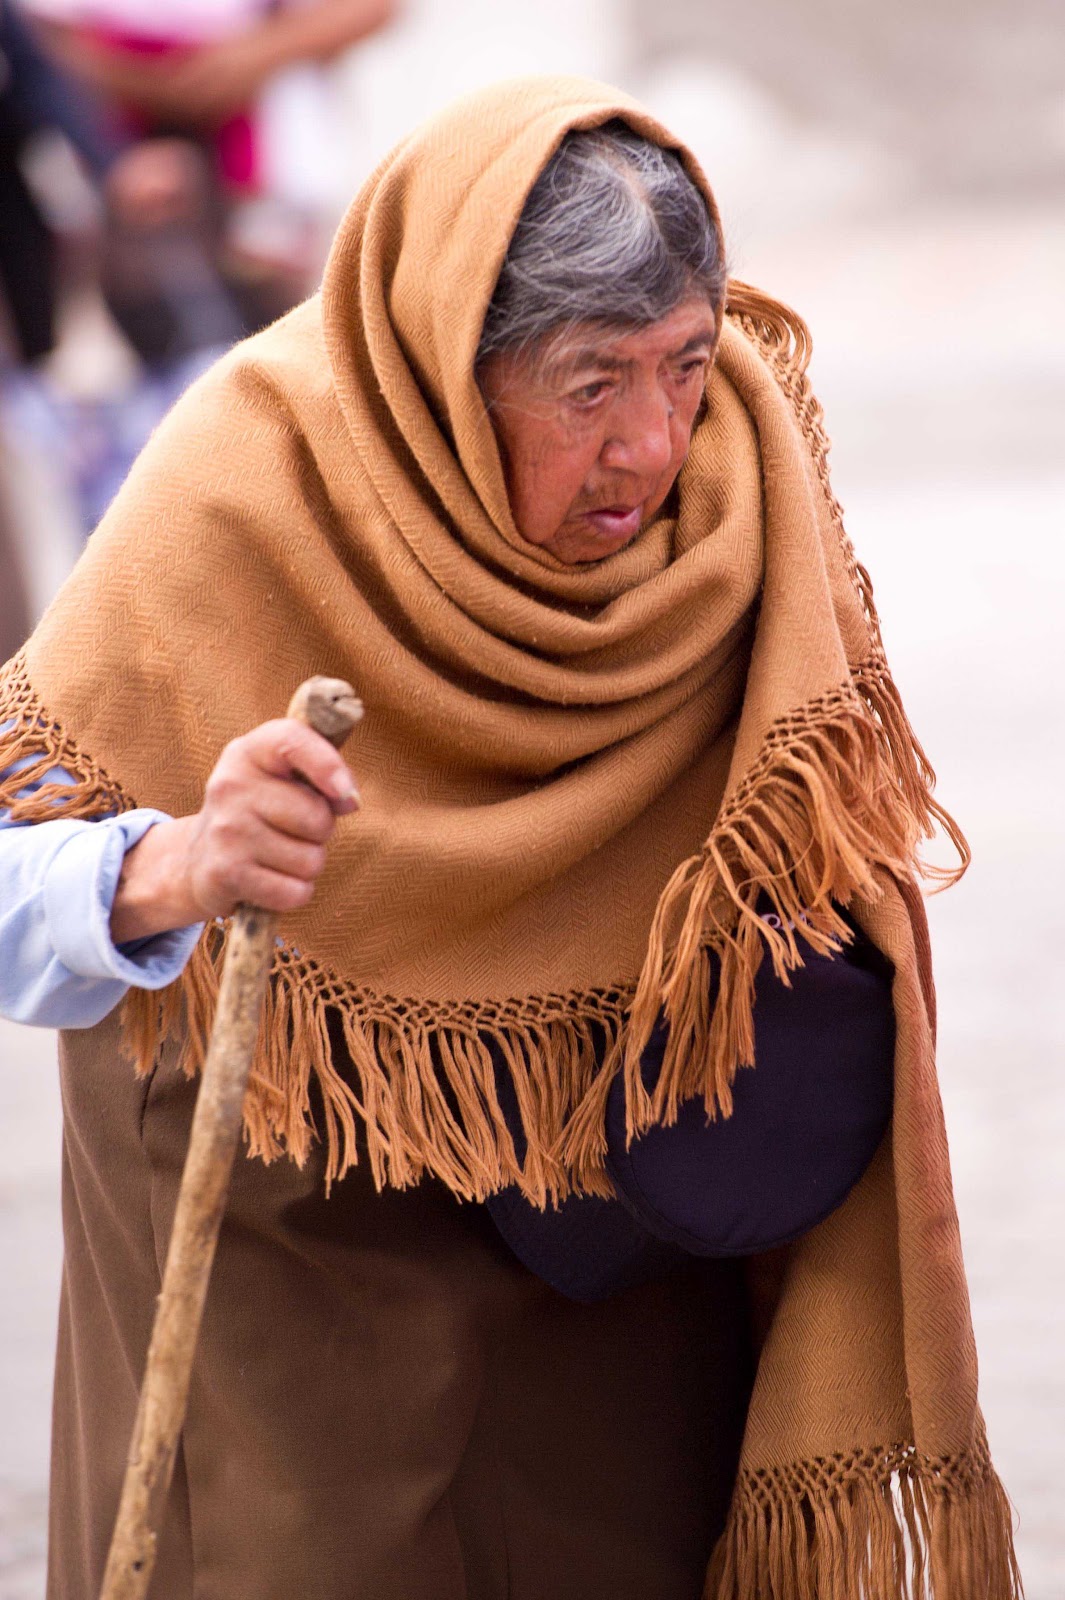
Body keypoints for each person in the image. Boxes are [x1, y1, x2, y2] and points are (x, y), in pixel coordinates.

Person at [0, 77, 1021, 1600]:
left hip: (612, 1240)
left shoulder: (745, 493)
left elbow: (823, 834)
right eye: (588, 385)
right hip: (297, 1255)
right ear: (444, 356)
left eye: (682, 366)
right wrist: (177, 867)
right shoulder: (250, 485)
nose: (652, 447)